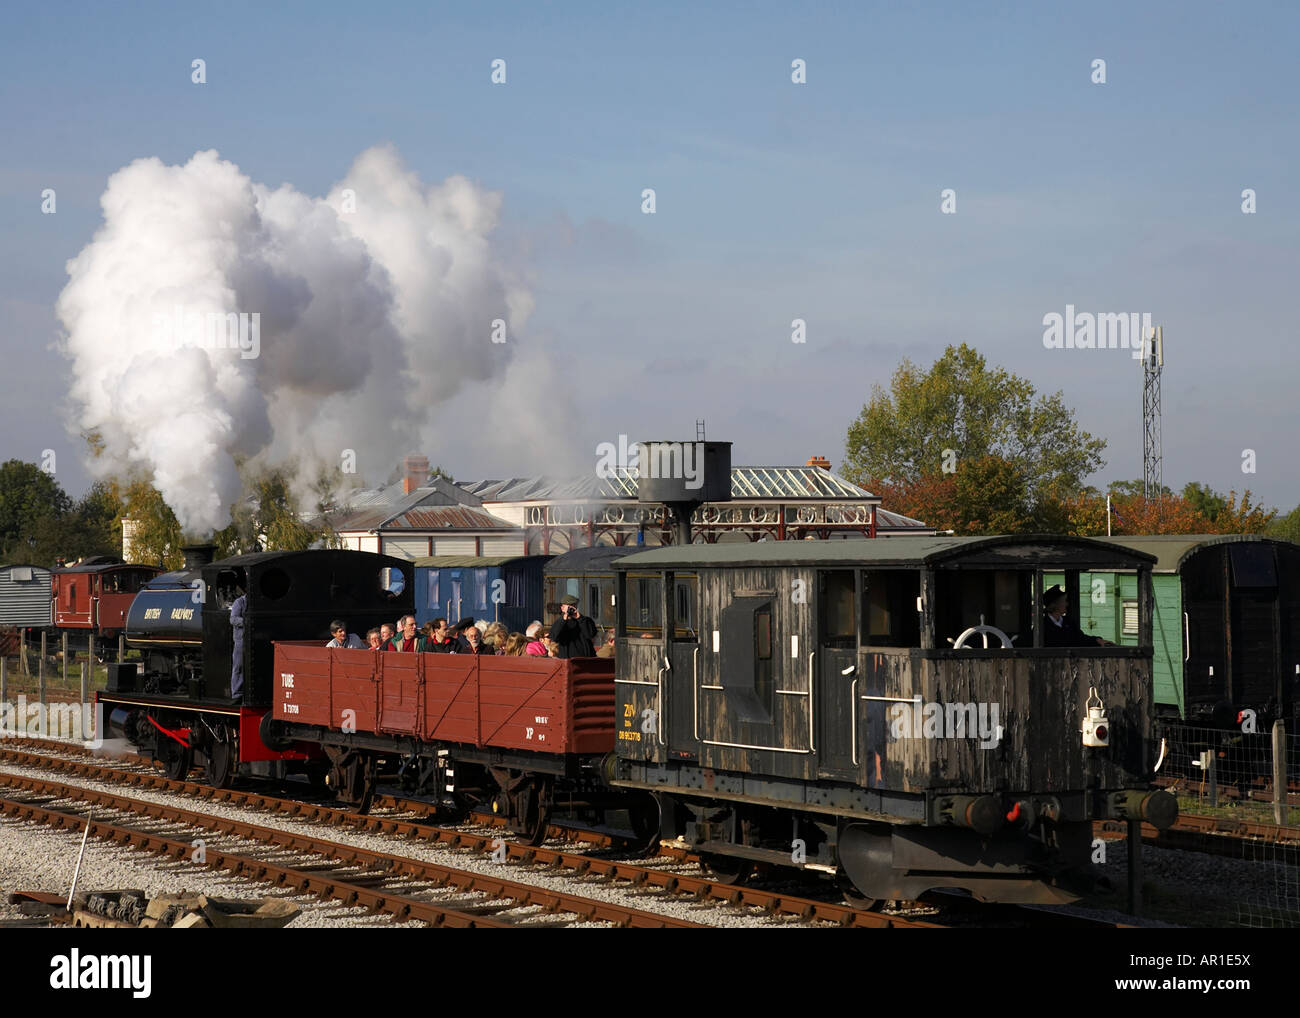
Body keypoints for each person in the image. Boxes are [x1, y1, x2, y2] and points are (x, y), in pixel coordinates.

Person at [1042, 585, 1113, 647]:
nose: (1067, 604)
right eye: (1065, 601)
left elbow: (1081, 638)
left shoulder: (1069, 622)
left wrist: (1098, 640)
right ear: (1055, 605)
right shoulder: (1043, 625)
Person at [229, 584, 246, 703]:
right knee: (238, 667)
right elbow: (233, 619)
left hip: (249, 639)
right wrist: (246, 621)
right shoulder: (239, 602)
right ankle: (236, 693)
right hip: (240, 640)